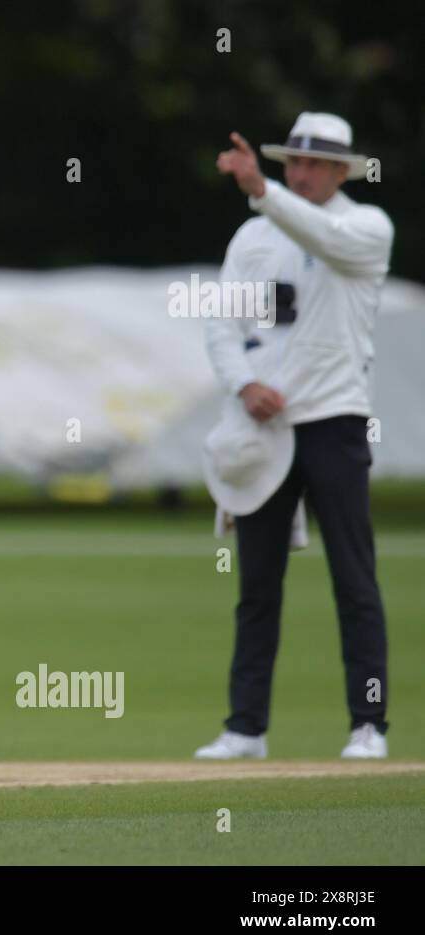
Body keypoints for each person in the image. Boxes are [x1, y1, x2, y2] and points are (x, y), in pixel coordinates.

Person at [197, 113, 393, 759]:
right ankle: (245, 727)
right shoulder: (254, 237)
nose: (302, 174)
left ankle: (368, 724)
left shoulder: (366, 228)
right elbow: (223, 324)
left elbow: (324, 237)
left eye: (315, 165)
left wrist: (261, 191)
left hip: (333, 418)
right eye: (294, 163)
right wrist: (244, 383)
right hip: (266, 424)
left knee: (353, 580)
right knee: (257, 586)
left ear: (342, 171)